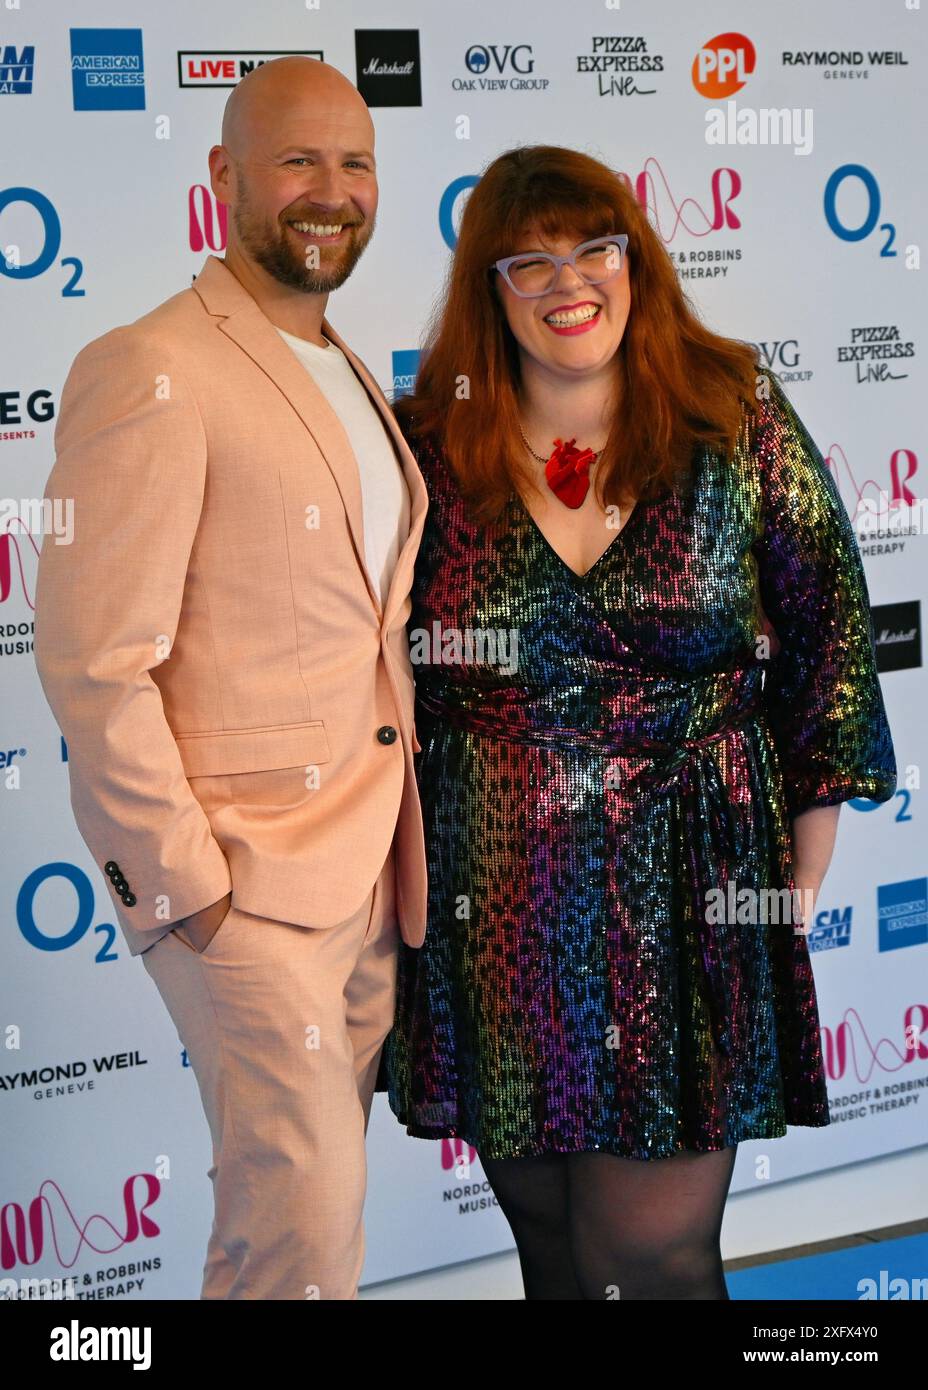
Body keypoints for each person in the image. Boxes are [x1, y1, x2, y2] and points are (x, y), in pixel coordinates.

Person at [382, 144, 897, 1300]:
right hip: (500, 893)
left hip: (693, 882)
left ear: (636, 259)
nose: (570, 280)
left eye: (595, 247)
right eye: (531, 259)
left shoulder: (731, 406)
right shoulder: (430, 442)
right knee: (556, 1247)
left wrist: (798, 866)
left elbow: (827, 616)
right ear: (490, 287)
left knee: (650, 1258)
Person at [33, 57, 429, 1300]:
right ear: (222, 180)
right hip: (245, 895)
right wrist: (193, 900)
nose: (332, 191)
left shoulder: (351, 368)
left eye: (355, 163)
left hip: (369, 878)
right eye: (298, 161)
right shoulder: (146, 365)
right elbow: (94, 661)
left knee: (286, 1236)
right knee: (299, 1246)